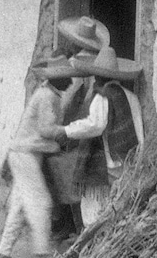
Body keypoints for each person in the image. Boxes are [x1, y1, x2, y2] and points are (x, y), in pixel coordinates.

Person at [0, 58, 84, 258]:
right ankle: (42, 255)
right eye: (68, 77)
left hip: (24, 153)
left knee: (19, 206)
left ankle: (3, 254)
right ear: (58, 79)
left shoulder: (48, 93)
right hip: (26, 154)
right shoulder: (47, 96)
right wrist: (69, 131)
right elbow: (46, 130)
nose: (71, 81)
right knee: (40, 203)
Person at [52, 45, 145, 229]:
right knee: (118, 212)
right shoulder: (131, 96)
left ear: (98, 75)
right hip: (129, 161)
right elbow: (139, 131)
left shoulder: (103, 95)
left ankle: (91, 250)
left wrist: (66, 130)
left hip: (108, 165)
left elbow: (95, 124)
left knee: (92, 213)